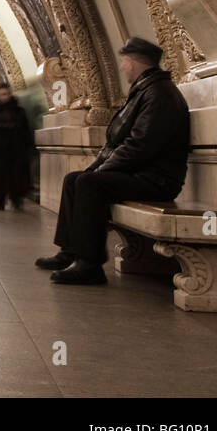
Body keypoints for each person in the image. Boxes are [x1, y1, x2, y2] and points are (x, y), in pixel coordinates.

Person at [36, 38, 189, 285]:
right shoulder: (145, 91)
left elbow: (140, 146)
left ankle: (89, 264)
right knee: (74, 179)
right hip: (140, 173)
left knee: (89, 183)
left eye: (124, 62)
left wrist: (102, 170)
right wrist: (96, 167)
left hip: (156, 179)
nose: (122, 68)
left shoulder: (159, 94)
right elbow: (117, 143)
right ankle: (70, 252)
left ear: (135, 62)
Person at [0, 82, 33, 210]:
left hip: (16, 150)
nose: (5, 96)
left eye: (7, 94)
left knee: (16, 176)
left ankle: (16, 199)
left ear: (10, 94)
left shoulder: (19, 111)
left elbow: (25, 130)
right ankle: (0, 199)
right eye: (2, 94)